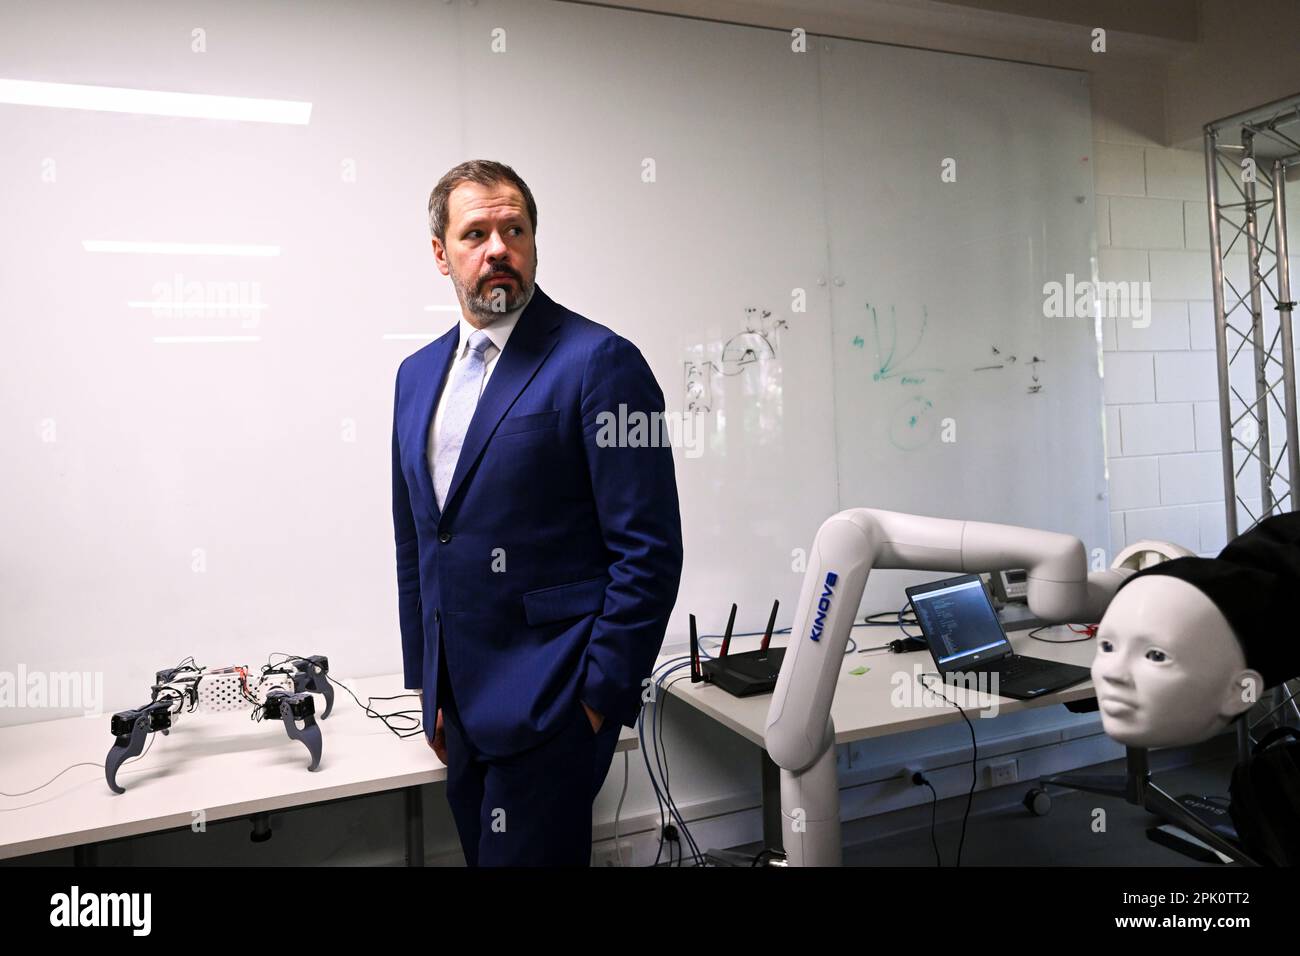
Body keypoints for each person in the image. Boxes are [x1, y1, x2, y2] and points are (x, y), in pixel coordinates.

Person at [390, 159, 683, 865]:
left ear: (534, 243)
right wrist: (424, 685)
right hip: (457, 710)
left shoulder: (600, 361)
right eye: (476, 233)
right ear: (441, 253)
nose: (498, 248)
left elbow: (649, 550)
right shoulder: (415, 375)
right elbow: (418, 540)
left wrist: (594, 701)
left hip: (552, 706)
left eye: (514, 229)